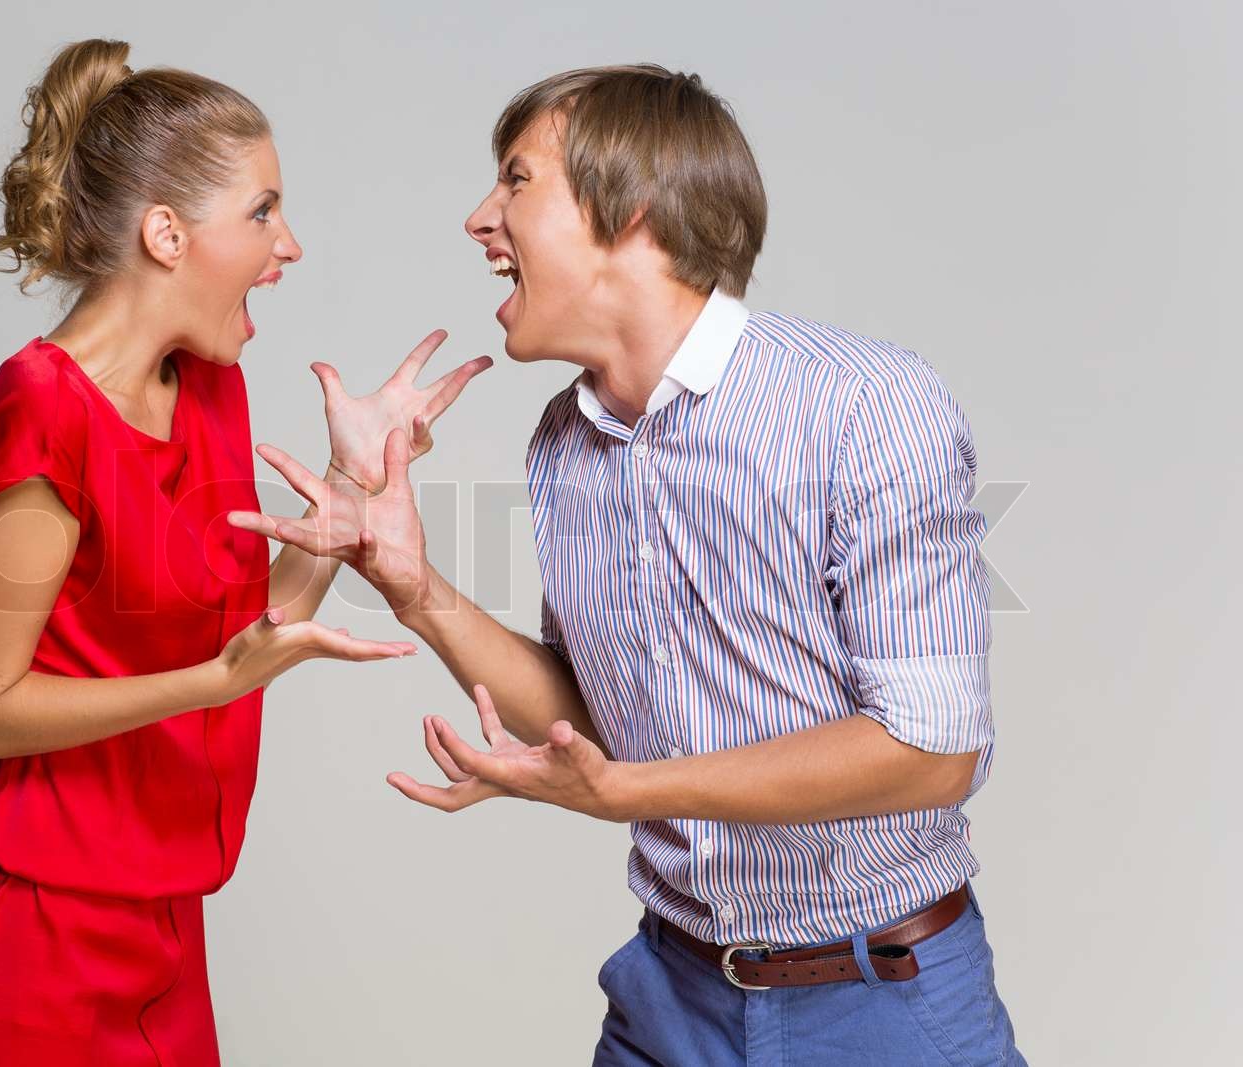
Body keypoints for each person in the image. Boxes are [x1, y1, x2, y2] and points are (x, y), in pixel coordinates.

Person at [230, 64, 1026, 1064]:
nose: (481, 218)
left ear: (632, 209)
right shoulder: (563, 442)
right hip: (668, 1000)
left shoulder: (864, 407)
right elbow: (604, 721)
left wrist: (630, 792)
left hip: (881, 1004)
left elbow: (932, 749)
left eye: (516, 181)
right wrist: (412, 586)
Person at [0, 38, 489, 1066]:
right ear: (165, 233)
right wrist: (215, 680)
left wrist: (352, 490)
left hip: (166, 929)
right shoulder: (41, 408)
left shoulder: (209, 385)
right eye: (262, 210)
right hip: (26, 943)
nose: (289, 242)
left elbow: (245, 631)